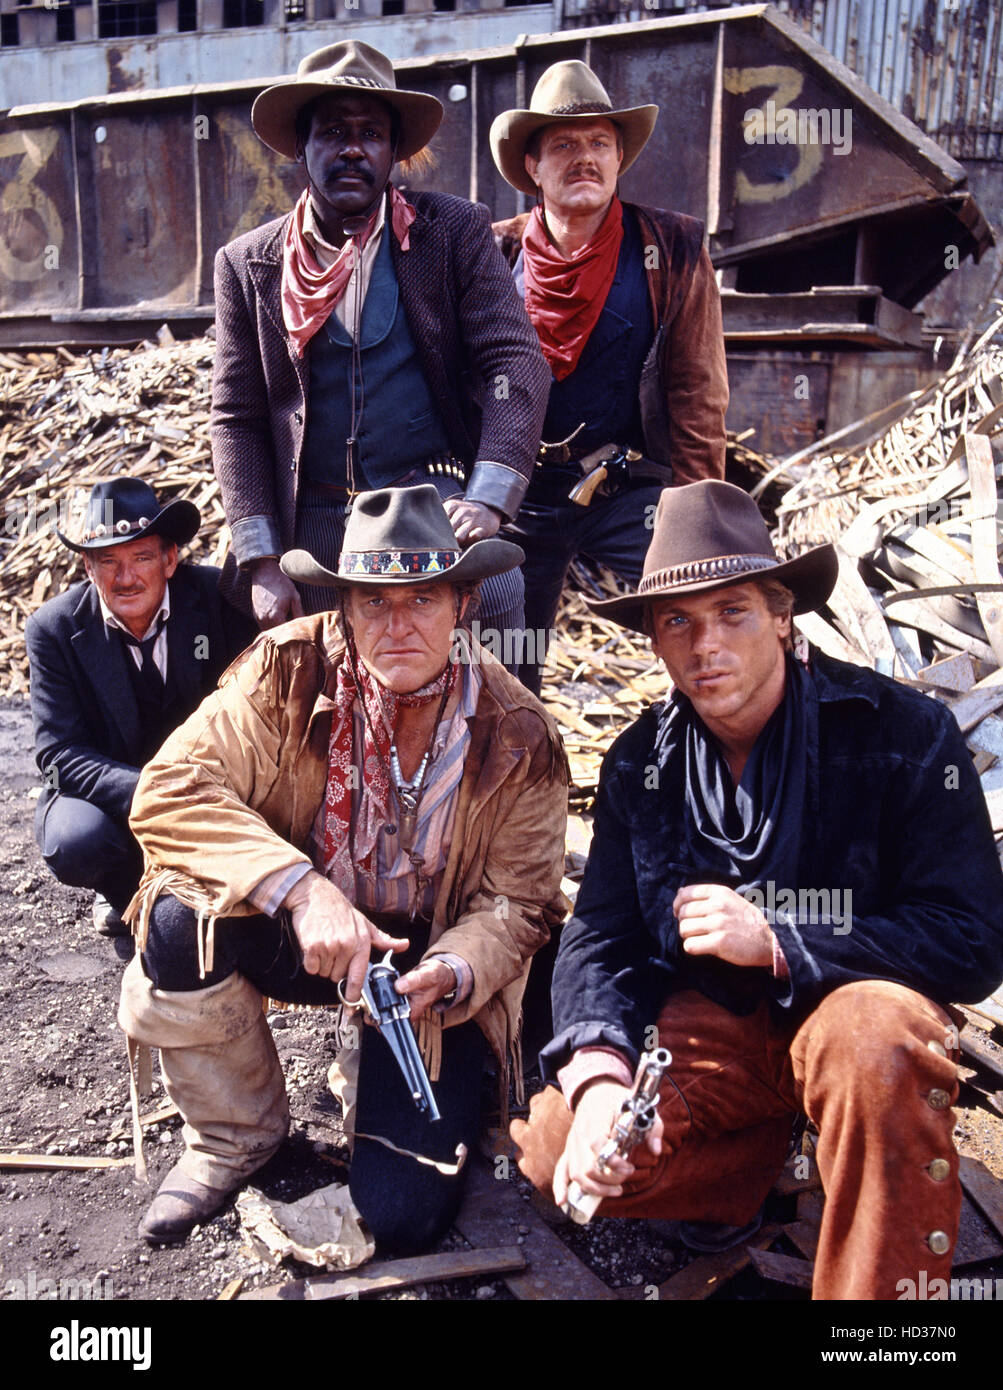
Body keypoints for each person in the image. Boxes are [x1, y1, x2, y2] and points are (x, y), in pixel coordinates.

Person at [512, 480, 1003, 1300]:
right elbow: (601, 936)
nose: (706, 645)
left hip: (853, 1014)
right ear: (654, 640)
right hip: (719, 1026)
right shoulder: (642, 762)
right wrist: (599, 1078)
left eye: (732, 612)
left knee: (874, 1045)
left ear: (783, 616)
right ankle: (755, 1166)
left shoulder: (899, 733)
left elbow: (972, 939)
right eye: (678, 622)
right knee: (556, 1151)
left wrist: (780, 937)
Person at [117, 484, 569, 1253]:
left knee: (402, 1213)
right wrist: (299, 889)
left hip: (421, 964)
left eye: (421, 599)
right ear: (345, 608)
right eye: (373, 602)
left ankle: (435, 1077)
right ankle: (235, 1138)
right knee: (177, 916)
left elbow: (521, 903)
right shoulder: (286, 668)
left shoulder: (519, 732)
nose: (397, 626)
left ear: (462, 604)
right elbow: (171, 789)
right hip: (307, 932)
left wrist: (454, 970)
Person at [212, 40, 550, 656]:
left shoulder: (451, 231)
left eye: (370, 133)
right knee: (294, 649)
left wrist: (488, 496)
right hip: (313, 511)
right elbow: (237, 415)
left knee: (496, 594)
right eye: (332, 132)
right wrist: (260, 558)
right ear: (301, 147)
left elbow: (515, 358)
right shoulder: (248, 263)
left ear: (394, 151)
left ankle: (508, 723)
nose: (351, 149)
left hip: (425, 496)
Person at [490, 60, 729, 692]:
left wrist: (699, 521)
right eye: (564, 145)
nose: (585, 159)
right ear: (532, 166)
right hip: (517, 500)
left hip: (626, 491)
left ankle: (710, 739)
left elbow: (697, 395)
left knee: (707, 607)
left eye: (600, 143)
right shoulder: (492, 254)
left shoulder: (670, 247)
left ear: (619, 158)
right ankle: (522, 753)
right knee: (503, 669)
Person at [25, 478, 255, 936]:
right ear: (88, 568)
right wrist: (154, 790)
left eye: (142, 558)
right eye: (109, 562)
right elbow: (58, 756)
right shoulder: (53, 629)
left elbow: (253, 706)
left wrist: (211, 786)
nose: (126, 578)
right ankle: (124, 890)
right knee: (76, 840)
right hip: (115, 798)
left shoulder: (216, 597)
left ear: (170, 560)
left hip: (206, 786)